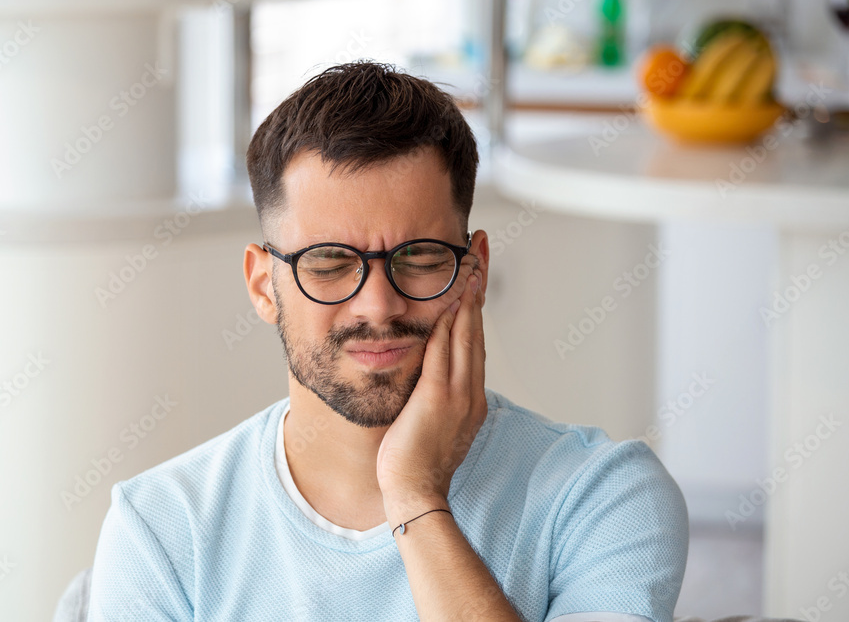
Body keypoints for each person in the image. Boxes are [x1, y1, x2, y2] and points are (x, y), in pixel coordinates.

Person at [86, 61, 689, 622]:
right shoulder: (161, 528)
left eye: (421, 258)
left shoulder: (602, 496)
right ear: (263, 286)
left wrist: (415, 495)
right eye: (328, 263)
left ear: (474, 271)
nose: (378, 305)